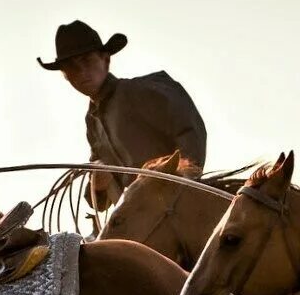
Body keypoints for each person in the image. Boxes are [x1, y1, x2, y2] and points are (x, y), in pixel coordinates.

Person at [38, 20, 208, 210]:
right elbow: (99, 200)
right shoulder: (92, 122)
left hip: (179, 206)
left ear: (106, 59)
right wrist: (98, 187)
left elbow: (188, 129)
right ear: (65, 76)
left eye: (87, 61)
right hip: (141, 215)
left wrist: (183, 183)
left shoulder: (142, 90)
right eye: (71, 68)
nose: (81, 72)